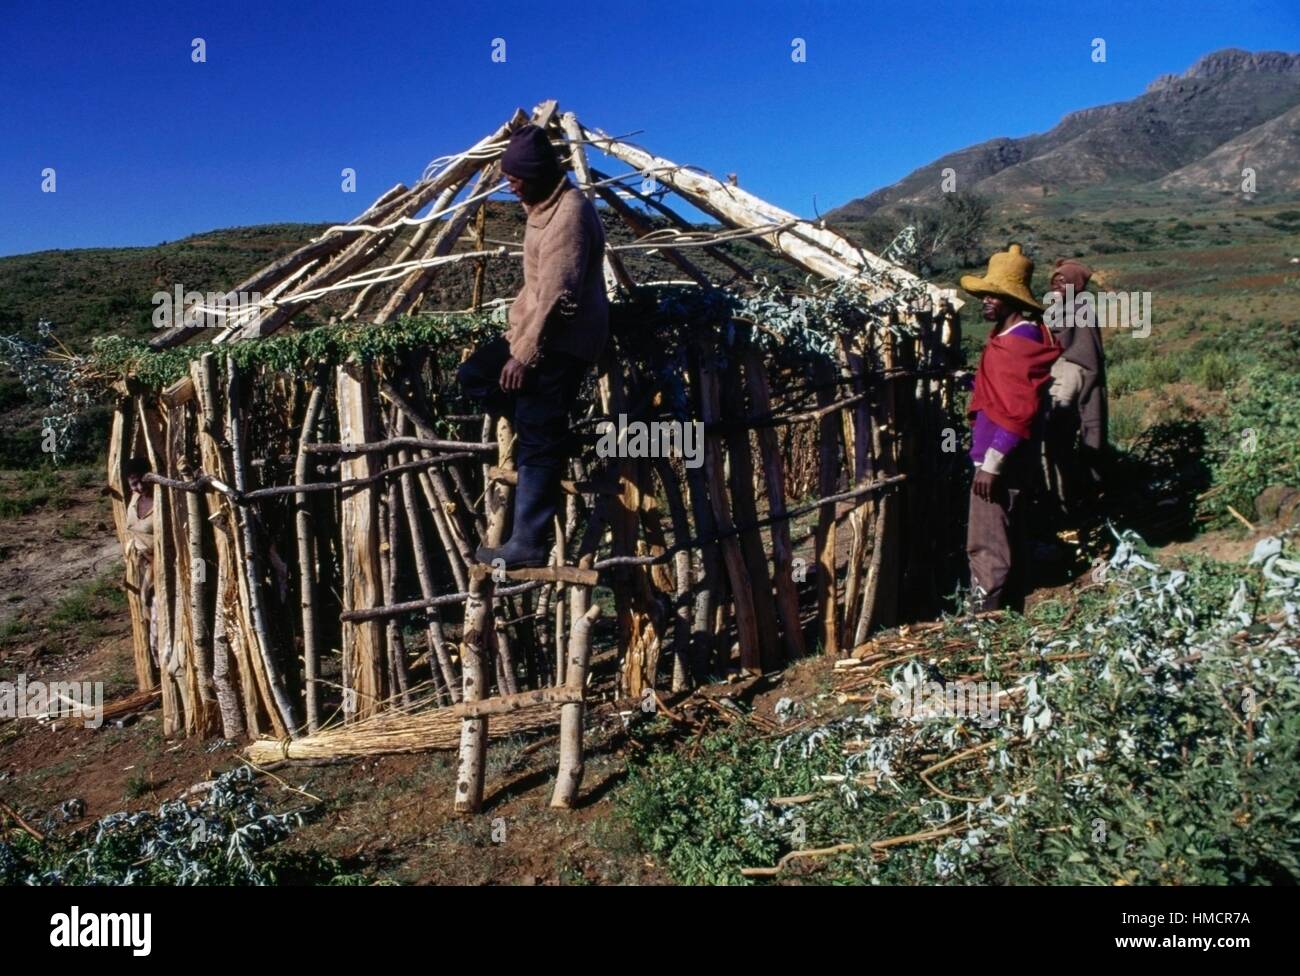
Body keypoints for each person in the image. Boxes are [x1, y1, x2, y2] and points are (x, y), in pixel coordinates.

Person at [457, 124, 609, 569]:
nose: (510, 184)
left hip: (564, 336)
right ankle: (542, 420)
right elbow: (536, 289)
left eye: (517, 176)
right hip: (533, 328)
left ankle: (528, 542)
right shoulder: (540, 207)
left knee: (539, 436)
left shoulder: (569, 213)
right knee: (474, 375)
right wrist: (515, 342)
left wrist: (525, 355)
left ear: (539, 173)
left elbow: (560, 295)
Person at [960, 244, 1061, 611]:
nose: (985, 301)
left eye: (994, 295)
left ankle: (984, 619)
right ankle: (1011, 609)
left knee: (987, 542)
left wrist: (991, 464)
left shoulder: (1017, 344)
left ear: (1011, 300)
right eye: (985, 294)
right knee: (1009, 533)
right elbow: (1002, 393)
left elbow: (1018, 410)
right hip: (1007, 457)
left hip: (997, 460)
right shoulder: (1013, 340)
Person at [1042, 258, 1108, 519]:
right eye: (1054, 281)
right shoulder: (1060, 309)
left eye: (1064, 281)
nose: (1057, 285)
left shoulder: (1080, 311)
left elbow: (1087, 359)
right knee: (1056, 444)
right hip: (1058, 380)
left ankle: (1068, 505)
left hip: (1069, 382)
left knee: (1059, 443)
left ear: (1076, 286)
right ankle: (1061, 502)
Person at [123, 457, 158, 666]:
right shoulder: (134, 499)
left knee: (158, 617)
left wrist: (154, 561)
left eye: (143, 480)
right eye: (134, 483)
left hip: (159, 567)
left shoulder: (162, 500)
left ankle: (166, 668)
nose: (140, 486)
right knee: (146, 612)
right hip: (141, 567)